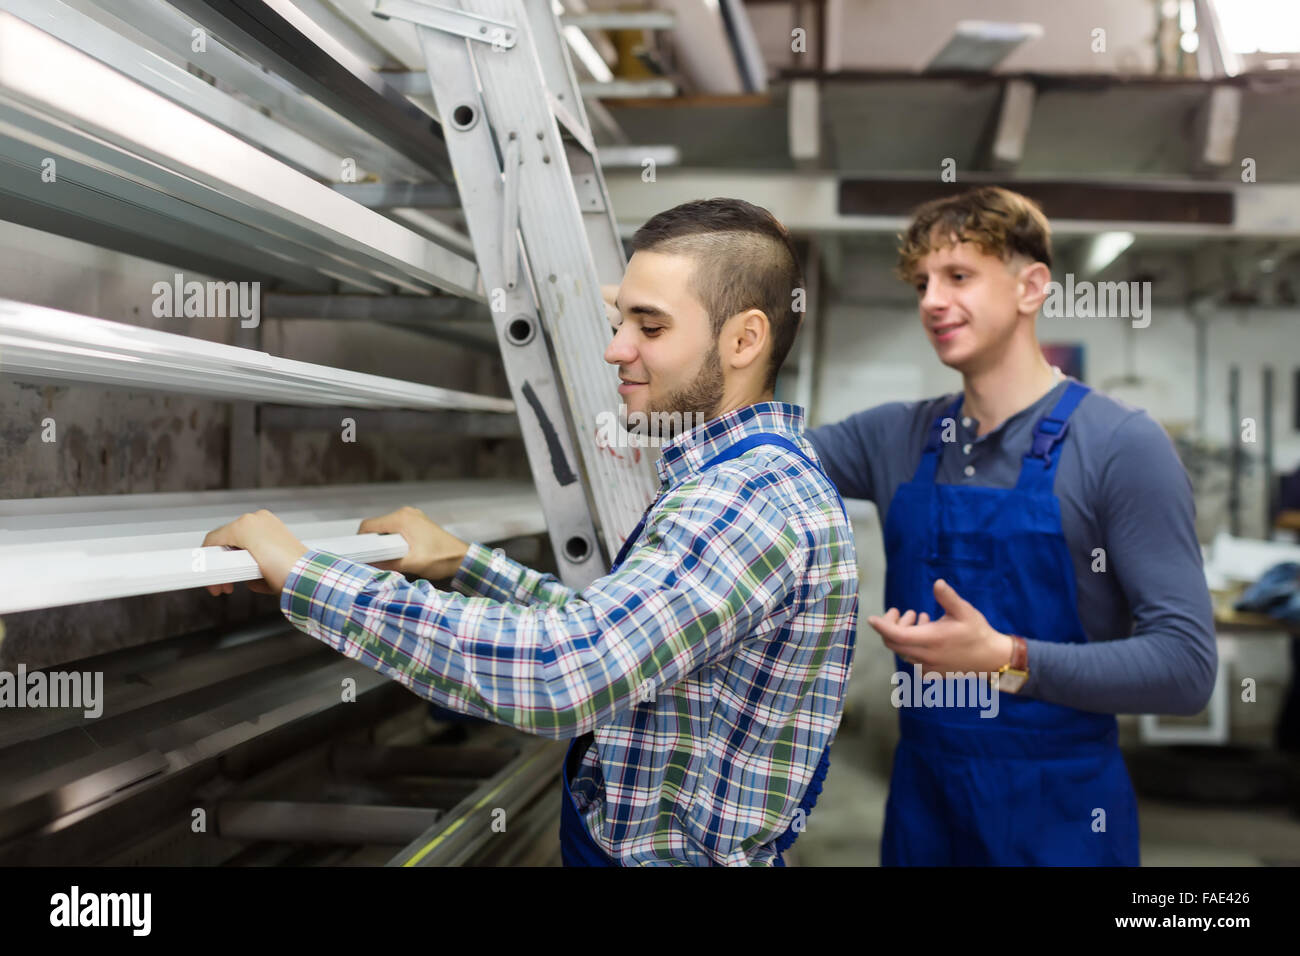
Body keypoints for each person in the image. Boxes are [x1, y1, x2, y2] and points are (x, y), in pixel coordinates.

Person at [201, 198, 859, 866]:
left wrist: (307, 577)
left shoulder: (744, 500)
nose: (616, 349)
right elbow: (620, 636)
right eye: (621, 319)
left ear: (744, 340)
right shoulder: (745, 480)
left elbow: (562, 672)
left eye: (650, 326)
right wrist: (467, 563)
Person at [806, 186, 1217, 866]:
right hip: (925, 806)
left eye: (958, 275)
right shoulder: (896, 438)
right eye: (921, 283)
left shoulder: (1120, 445)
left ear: (1031, 287)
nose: (931, 301)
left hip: (1059, 813)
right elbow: (751, 457)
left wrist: (1009, 657)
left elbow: (1185, 667)